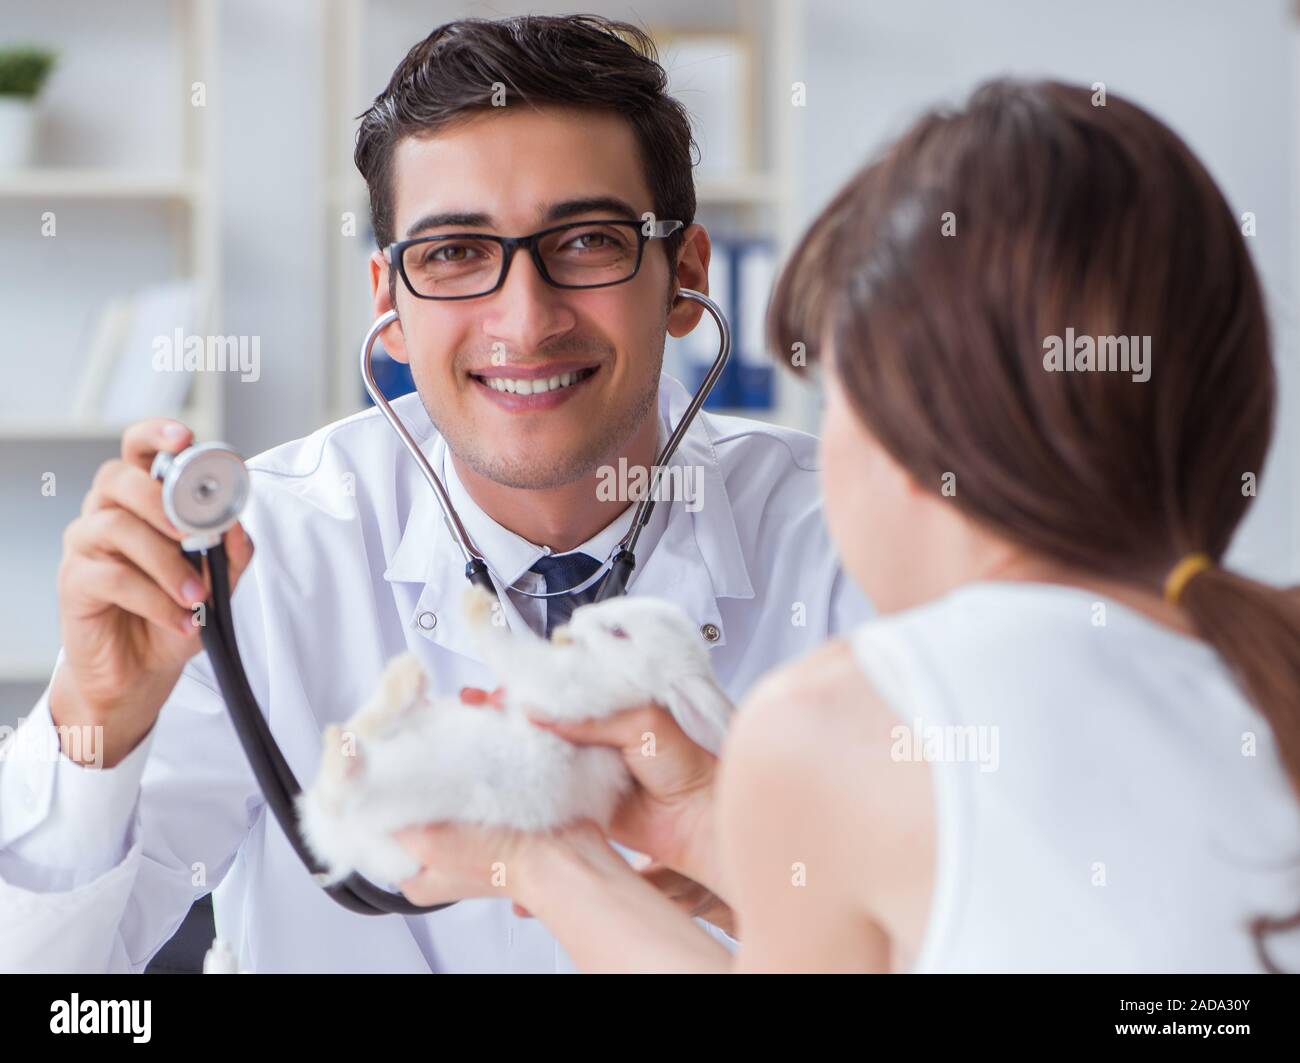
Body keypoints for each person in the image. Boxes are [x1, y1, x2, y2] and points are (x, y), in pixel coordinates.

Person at [0, 16, 869, 973]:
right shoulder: (259, 560)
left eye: (584, 240)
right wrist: (96, 723)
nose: (525, 319)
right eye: (455, 251)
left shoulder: (845, 542)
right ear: (391, 304)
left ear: (686, 272)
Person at [393, 78, 1300, 973]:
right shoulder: (1268, 652)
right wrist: (730, 838)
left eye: (836, 394)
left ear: (902, 429)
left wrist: (547, 860)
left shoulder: (842, 717)